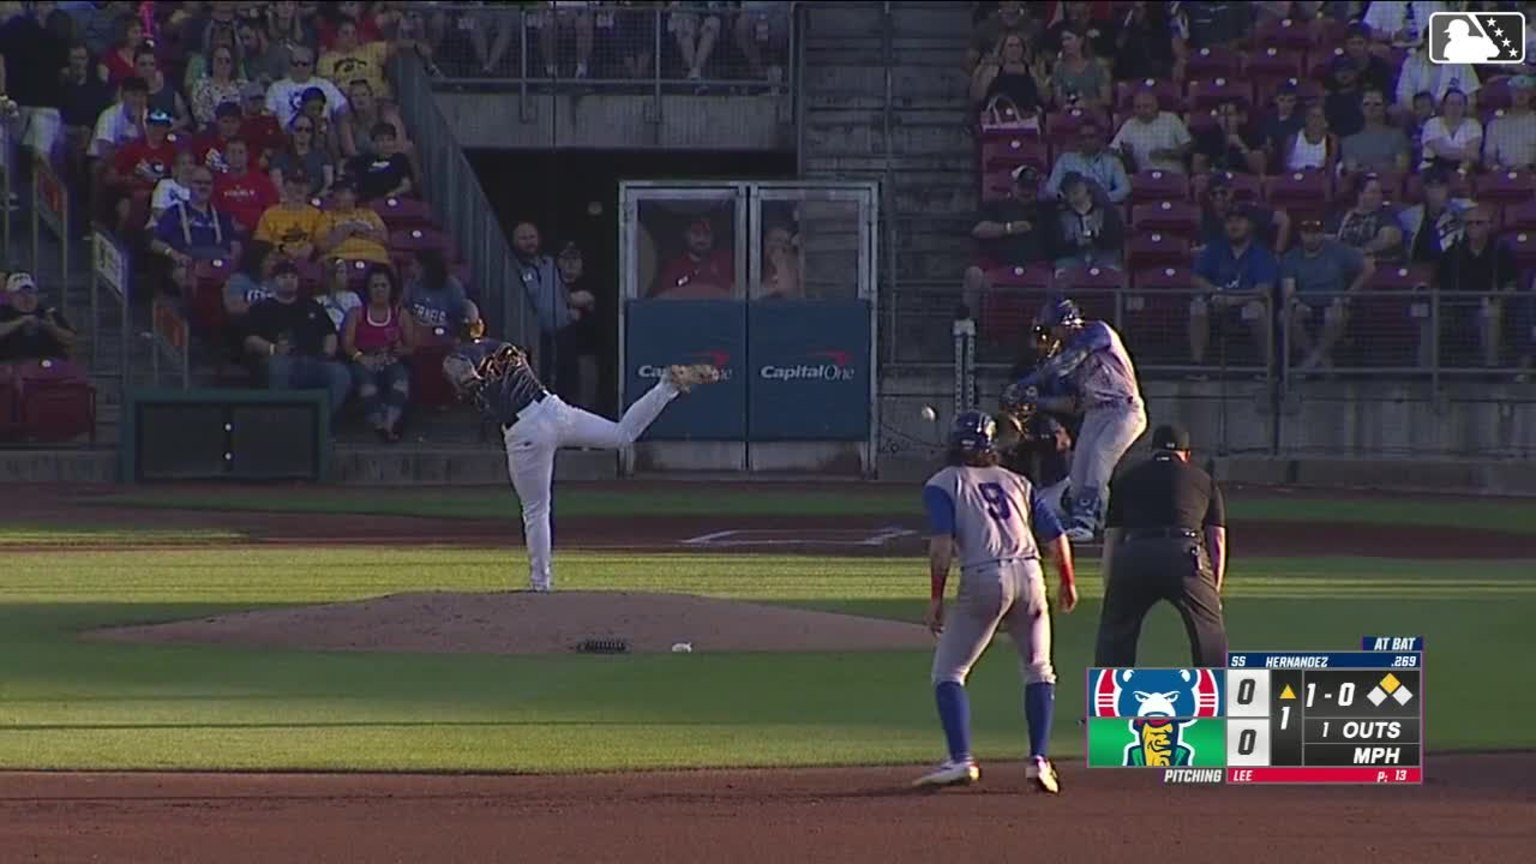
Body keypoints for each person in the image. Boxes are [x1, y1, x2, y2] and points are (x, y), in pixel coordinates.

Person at [441, 341, 721, 593]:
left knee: (535, 509)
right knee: (621, 435)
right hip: (554, 409)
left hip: (525, 430)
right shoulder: (505, 345)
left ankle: (540, 584)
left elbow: (462, 367)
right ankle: (667, 387)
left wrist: (467, 378)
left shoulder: (466, 353)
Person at [912, 410, 1076, 794]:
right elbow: (1056, 536)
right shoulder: (1018, 481)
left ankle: (960, 759)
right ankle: (1039, 761)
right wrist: (1067, 581)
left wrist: (936, 597)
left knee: (949, 673)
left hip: (985, 575)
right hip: (1031, 574)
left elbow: (941, 547)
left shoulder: (943, 483)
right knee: (1039, 670)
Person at [1002, 297, 1147, 543]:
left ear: (1067, 323)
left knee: (1100, 456)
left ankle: (1086, 522)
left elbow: (1065, 363)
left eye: (1053, 326)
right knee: (1079, 472)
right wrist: (1033, 401)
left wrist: (1026, 383)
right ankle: (1099, 518)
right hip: (1096, 411)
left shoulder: (1097, 331)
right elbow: (1073, 404)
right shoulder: (1064, 358)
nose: (1052, 333)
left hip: (1125, 409)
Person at [1095, 423, 1229, 667]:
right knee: (1209, 636)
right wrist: (1213, 592)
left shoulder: (1127, 478)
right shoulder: (1204, 481)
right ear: (1186, 454)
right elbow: (1217, 541)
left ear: (1152, 451)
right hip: (1185, 556)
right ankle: (1213, 699)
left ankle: (1111, 700)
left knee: (1114, 637)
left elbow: (1112, 538)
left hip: (1135, 555)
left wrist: (1111, 587)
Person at [242, 260, 353, 417]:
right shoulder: (261, 308)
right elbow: (250, 340)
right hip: (280, 360)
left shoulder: (311, 305)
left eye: (293, 277)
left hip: (314, 360)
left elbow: (329, 333)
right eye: (284, 277)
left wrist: (327, 353)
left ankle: (321, 421)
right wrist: (273, 349)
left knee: (340, 373)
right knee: (279, 368)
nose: (289, 280)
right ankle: (285, 422)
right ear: (273, 281)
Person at [1280, 218, 1373, 371]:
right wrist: (1297, 303)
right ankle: (1320, 360)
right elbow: (1288, 289)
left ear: (1322, 233)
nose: (1311, 237)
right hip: (1304, 303)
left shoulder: (1339, 250)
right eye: (1307, 233)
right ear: (1300, 235)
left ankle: (1311, 362)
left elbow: (1368, 268)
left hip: (1333, 302)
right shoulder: (1291, 257)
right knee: (1285, 316)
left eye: (1315, 233)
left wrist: (1348, 296)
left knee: (1335, 316)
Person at [343, 264, 414, 442]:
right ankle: (377, 423)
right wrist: (361, 358)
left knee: (400, 381)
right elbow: (347, 344)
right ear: (368, 289)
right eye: (375, 286)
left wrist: (399, 352)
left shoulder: (400, 314)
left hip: (391, 360)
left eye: (384, 286)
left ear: (391, 288)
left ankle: (389, 424)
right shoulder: (357, 313)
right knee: (367, 386)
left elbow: (411, 346)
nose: (379, 290)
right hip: (364, 360)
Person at [0, 272, 76, 362]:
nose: (26, 297)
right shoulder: (3, 313)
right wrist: (21, 321)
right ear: (9, 297)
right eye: (20, 293)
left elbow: (70, 339)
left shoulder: (48, 312)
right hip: (9, 368)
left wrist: (47, 326)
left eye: (30, 292)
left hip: (50, 367)